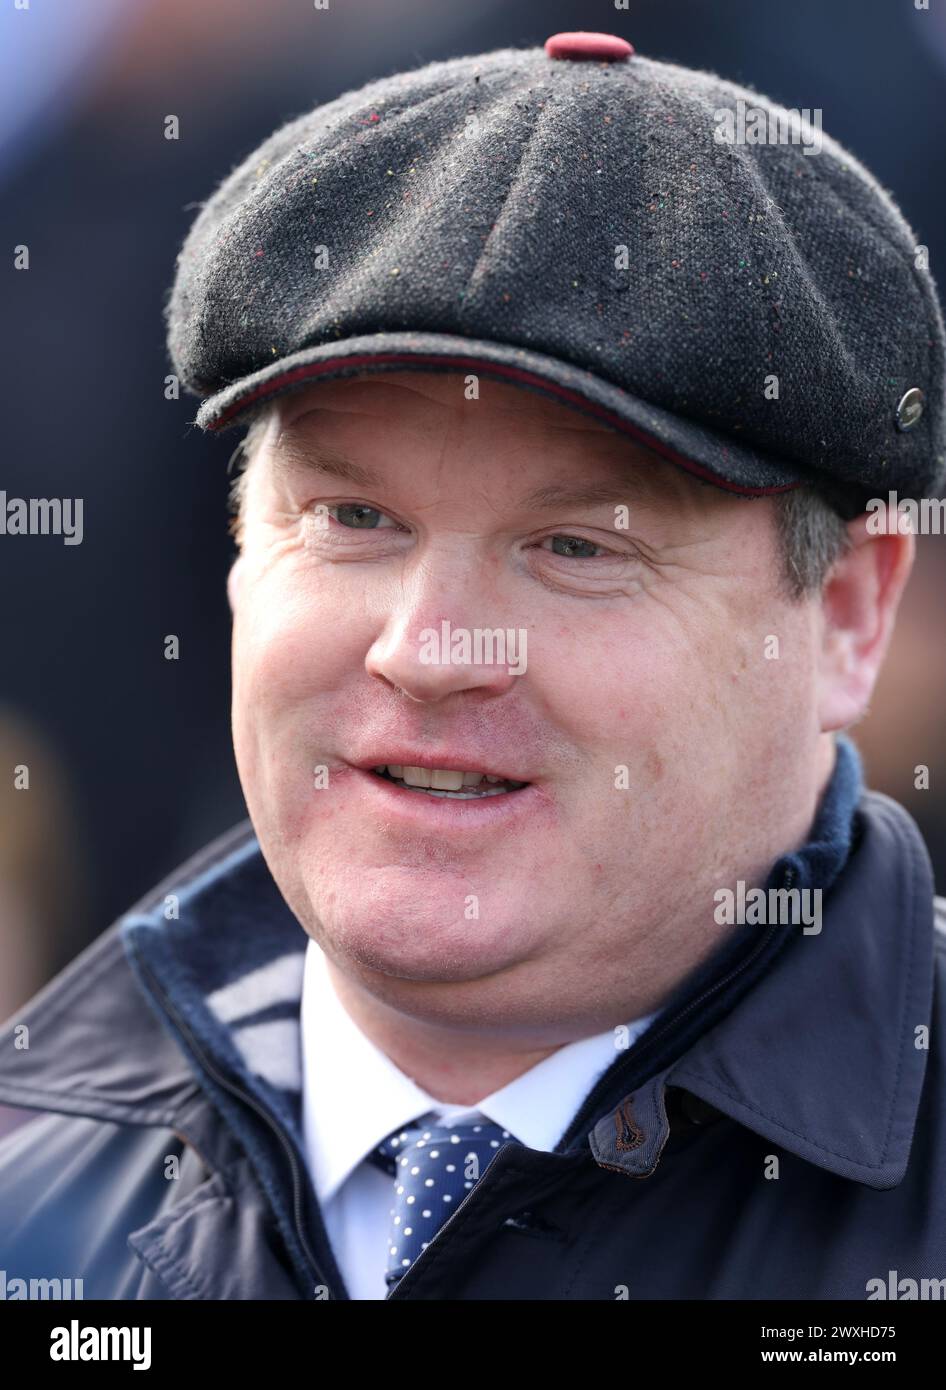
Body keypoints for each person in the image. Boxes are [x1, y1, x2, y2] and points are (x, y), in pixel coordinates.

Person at [0, 31, 944, 1302]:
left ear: (844, 614)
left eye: (573, 546)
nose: (428, 653)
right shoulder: (30, 1196)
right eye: (351, 519)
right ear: (237, 553)